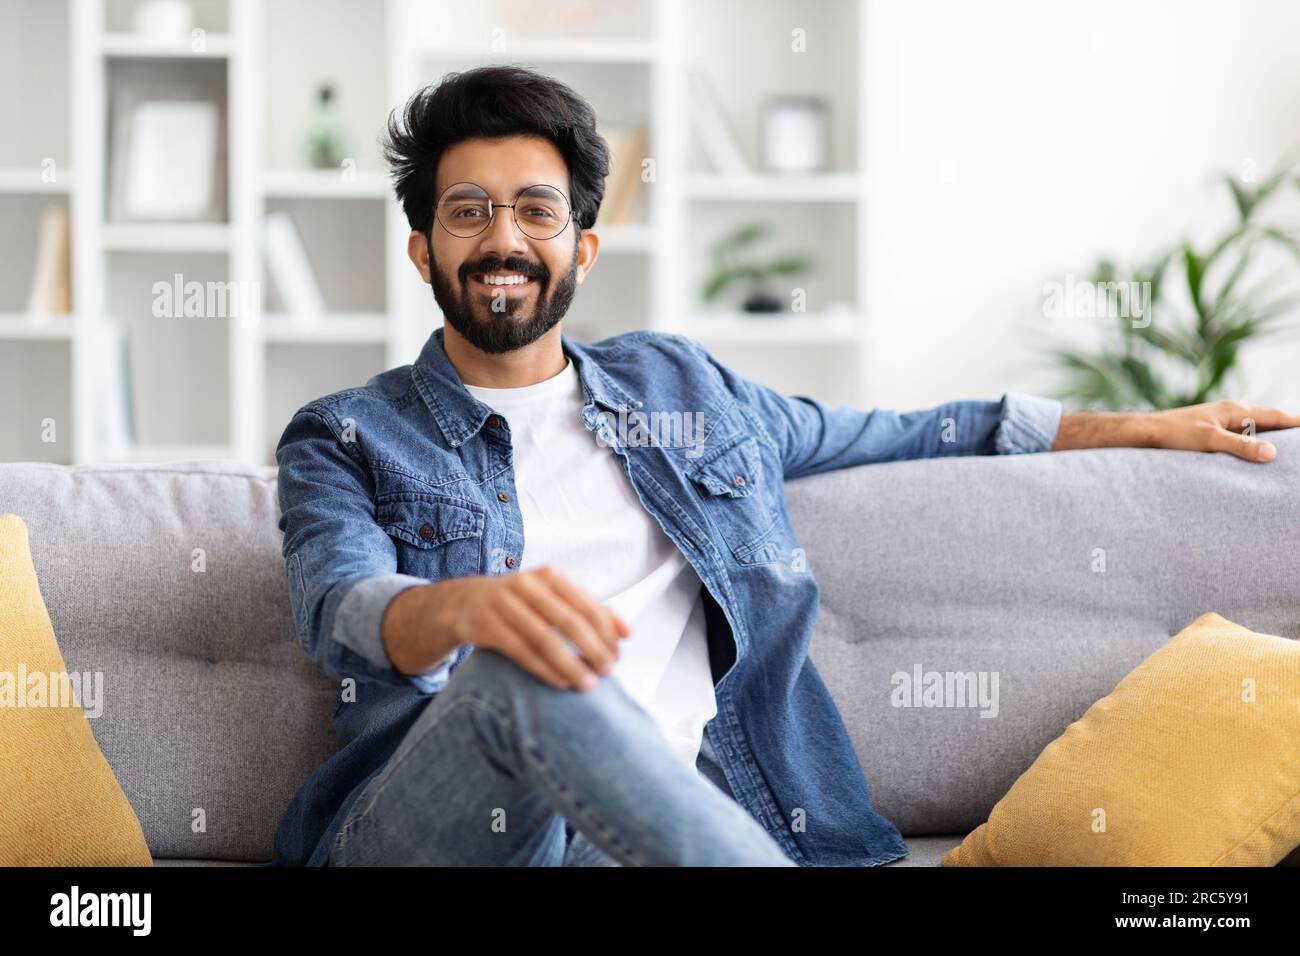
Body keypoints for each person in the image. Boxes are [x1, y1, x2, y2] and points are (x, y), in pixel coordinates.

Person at [268, 65, 1300, 867]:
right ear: (421, 249)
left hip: (685, 820)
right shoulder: (348, 431)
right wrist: (463, 612)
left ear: (583, 247)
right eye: (468, 210)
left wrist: (1138, 427)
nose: (504, 238)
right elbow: (339, 599)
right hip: (444, 830)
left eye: (536, 210)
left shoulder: (683, 389)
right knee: (520, 670)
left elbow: (911, 431)